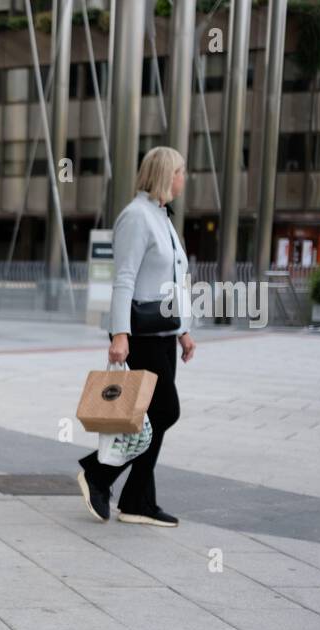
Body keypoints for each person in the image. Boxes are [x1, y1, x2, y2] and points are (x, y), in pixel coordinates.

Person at [77, 146, 196, 527]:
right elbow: (124, 278)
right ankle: (99, 473)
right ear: (165, 174)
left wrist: (184, 332)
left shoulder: (162, 217)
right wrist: (119, 334)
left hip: (164, 333)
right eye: (180, 171)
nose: (184, 178)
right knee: (163, 411)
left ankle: (137, 500)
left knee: (149, 416)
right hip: (141, 334)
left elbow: (174, 281)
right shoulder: (136, 217)